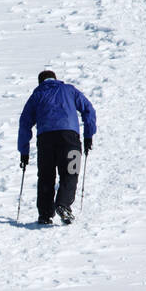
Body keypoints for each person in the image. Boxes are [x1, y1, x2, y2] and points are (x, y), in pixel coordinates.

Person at [17, 70, 97, 225]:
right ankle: (63, 205)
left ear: (40, 82)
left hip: (45, 139)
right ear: (55, 79)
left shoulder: (36, 96)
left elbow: (24, 123)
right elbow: (89, 110)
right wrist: (88, 135)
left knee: (46, 176)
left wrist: (24, 152)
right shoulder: (69, 90)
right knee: (70, 171)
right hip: (69, 137)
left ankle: (45, 215)